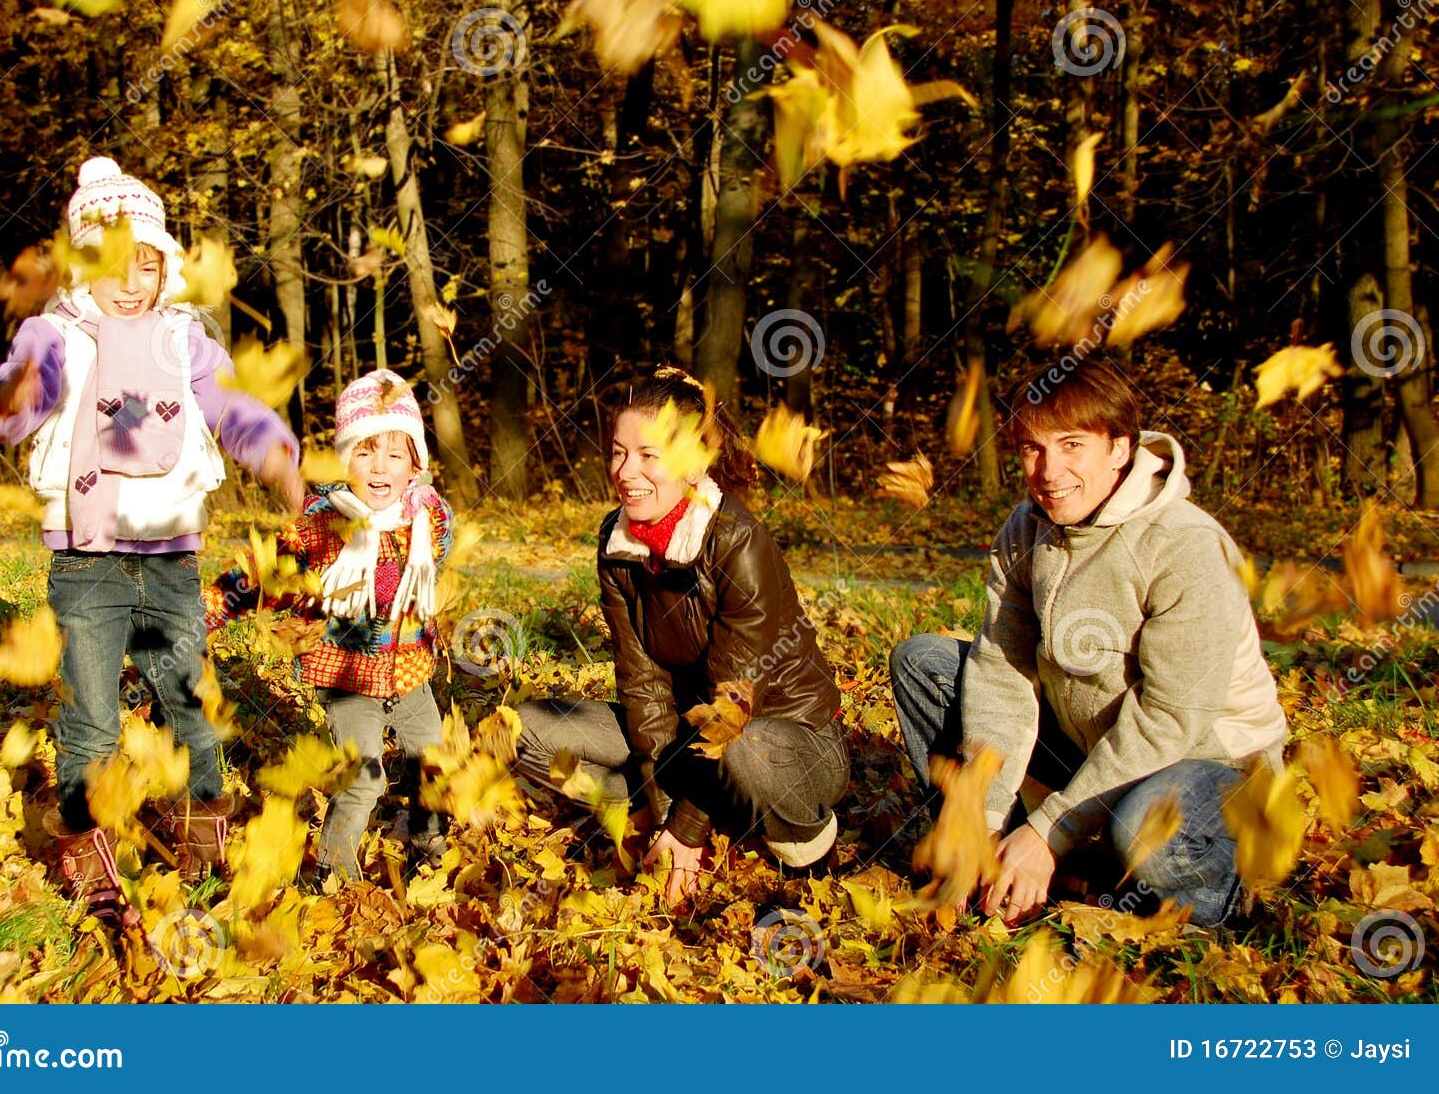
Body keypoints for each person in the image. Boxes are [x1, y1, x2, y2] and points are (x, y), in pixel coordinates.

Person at [0, 157, 304, 925]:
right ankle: (86, 844)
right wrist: (11, 400)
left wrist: (279, 462)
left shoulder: (184, 338)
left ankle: (203, 824)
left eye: (148, 264)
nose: (132, 282)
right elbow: (18, 401)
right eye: (114, 263)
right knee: (90, 710)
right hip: (86, 561)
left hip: (169, 557)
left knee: (186, 694)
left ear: (167, 267)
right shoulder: (56, 333)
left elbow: (234, 409)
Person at [890, 357, 1285, 927]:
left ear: (1120, 448)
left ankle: (1210, 905)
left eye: (1072, 445)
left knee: (1145, 827)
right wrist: (985, 816)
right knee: (924, 664)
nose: (1049, 471)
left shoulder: (1186, 546)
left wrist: (1049, 830)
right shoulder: (1025, 530)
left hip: (1205, 766)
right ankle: (1020, 866)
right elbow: (1002, 671)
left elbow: (1170, 721)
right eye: (1032, 449)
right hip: (1092, 742)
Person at [514, 368, 849, 906]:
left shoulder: (739, 543)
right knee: (526, 730)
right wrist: (668, 809)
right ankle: (681, 816)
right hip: (684, 735)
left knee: (746, 748)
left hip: (783, 740)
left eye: (649, 455)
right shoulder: (618, 545)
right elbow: (642, 685)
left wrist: (687, 832)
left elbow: (731, 711)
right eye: (619, 453)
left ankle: (804, 844)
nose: (626, 472)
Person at [205, 369, 453, 883]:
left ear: (415, 465)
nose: (379, 466)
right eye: (364, 452)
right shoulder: (323, 525)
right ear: (343, 462)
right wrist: (210, 608)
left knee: (432, 761)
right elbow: (265, 571)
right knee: (363, 779)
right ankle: (333, 872)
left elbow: (437, 546)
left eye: (394, 454)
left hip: (409, 673)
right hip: (345, 679)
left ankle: (427, 844)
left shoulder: (426, 522)